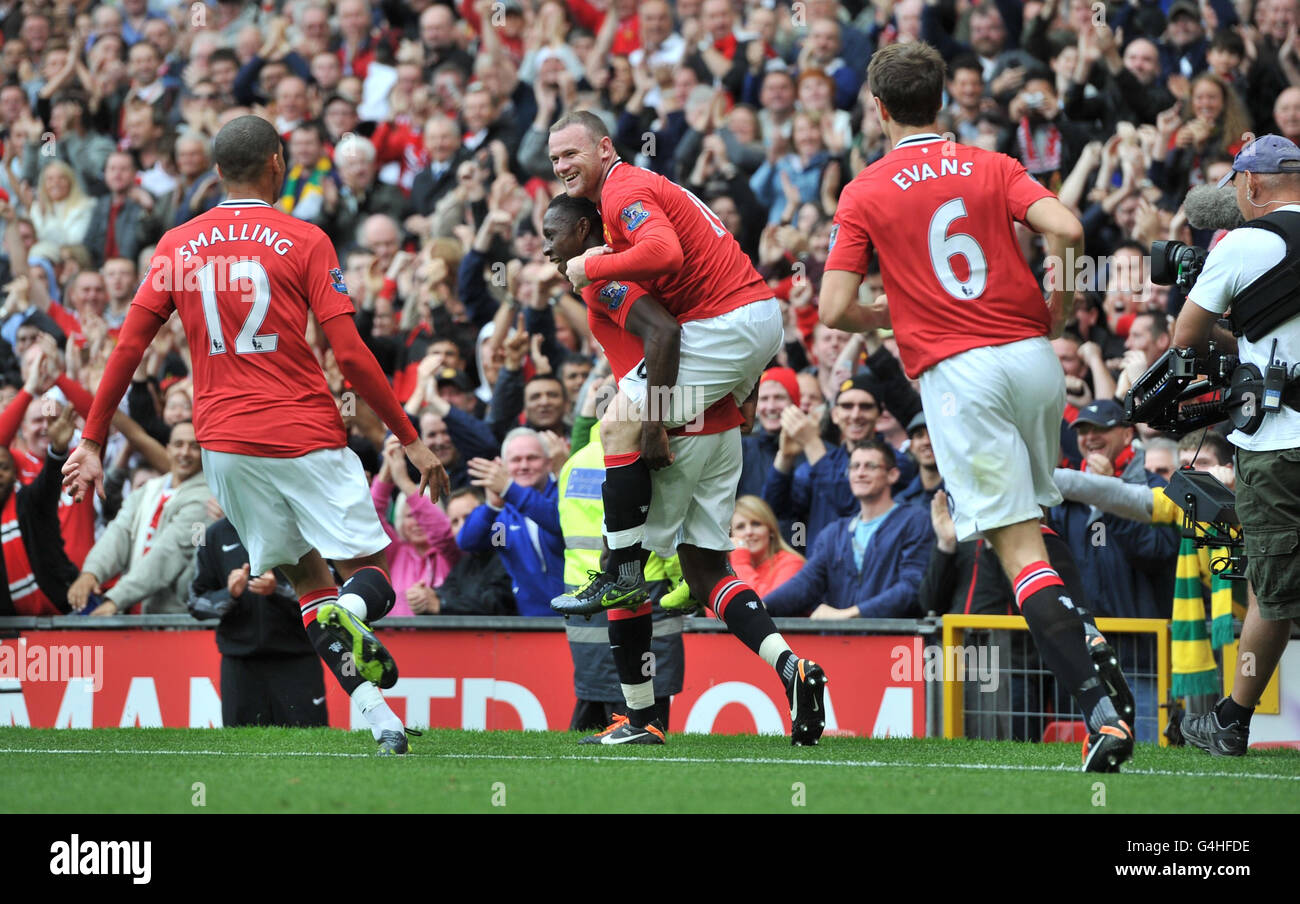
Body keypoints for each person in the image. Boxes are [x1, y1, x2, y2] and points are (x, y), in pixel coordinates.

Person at [62, 115, 449, 756]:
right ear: (277, 163)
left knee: (307, 579)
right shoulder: (304, 239)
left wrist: (94, 440)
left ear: (217, 172)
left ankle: (383, 724)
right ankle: (348, 618)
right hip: (303, 429)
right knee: (371, 576)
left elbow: (129, 344)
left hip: (223, 446)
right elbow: (350, 356)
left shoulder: (178, 245)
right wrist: (407, 435)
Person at [817, 43, 1135, 771]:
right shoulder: (990, 163)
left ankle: (1102, 717)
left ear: (879, 109)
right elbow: (1068, 228)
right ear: (943, 103)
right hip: (1032, 360)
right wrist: (1056, 308)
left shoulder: (865, 188)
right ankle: (1083, 630)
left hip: (961, 376)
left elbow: (834, 306)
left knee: (1014, 549)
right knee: (1034, 519)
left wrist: (894, 313)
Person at [542, 194, 828, 746]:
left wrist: (650, 424)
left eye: (553, 234)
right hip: (717, 430)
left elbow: (665, 333)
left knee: (622, 570)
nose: (546, 247)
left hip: (676, 433)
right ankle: (793, 670)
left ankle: (639, 719)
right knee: (707, 572)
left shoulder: (608, 279)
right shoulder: (629, 271)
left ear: (584, 231)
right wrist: (746, 394)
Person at [1169, 134, 1300, 756]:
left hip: (1278, 442)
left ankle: (1231, 720)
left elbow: (1186, 336)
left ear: (1251, 185)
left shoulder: (1243, 244)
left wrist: (1243, 341)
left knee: (1273, 592)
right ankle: (1230, 716)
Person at [188, 513, 328, 728]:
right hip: (240, 665)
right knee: (240, 753)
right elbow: (195, 602)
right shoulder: (213, 534)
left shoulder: (300, 527)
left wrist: (278, 591)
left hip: (297, 660)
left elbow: (327, 595)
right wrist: (229, 595)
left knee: (310, 748)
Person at [764, 440, 932, 617]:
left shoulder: (915, 520)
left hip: (895, 639)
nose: (860, 473)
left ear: (892, 475)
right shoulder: (833, 533)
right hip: (842, 641)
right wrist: (761, 607)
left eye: (870, 466)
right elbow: (806, 583)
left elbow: (913, 586)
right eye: (854, 466)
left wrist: (852, 614)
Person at [728, 494, 804, 597]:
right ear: (732, 535)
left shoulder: (792, 563)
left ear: (771, 530)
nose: (749, 532)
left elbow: (767, 606)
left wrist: (740, 562)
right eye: (740, 527)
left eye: (756, 524)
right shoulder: (727, 568)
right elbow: (713, 612)